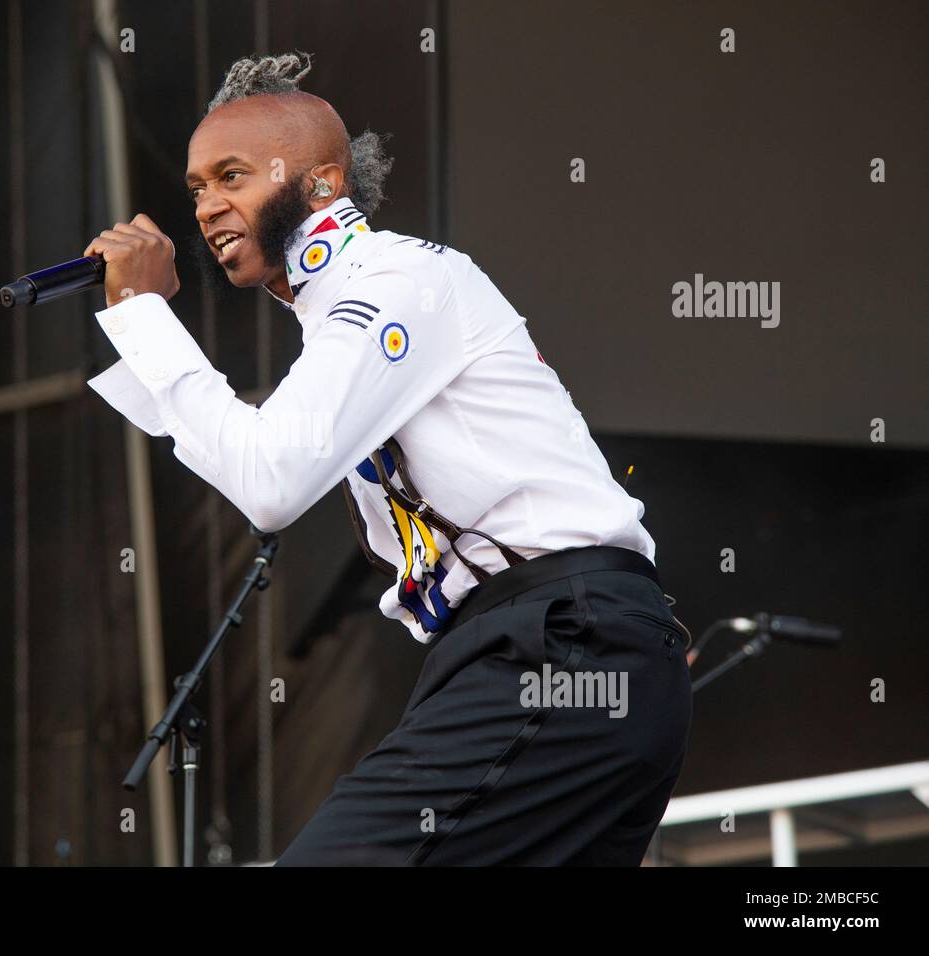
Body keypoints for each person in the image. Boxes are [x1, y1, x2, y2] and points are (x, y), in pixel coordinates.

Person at [84, 52, 692, 865]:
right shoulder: (345, 311)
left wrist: (144, 318)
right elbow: (248, 460)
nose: (207, 206)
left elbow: (271, 481)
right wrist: (138, 325)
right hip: (533, 652)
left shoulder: (396, 279)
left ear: (322, 183)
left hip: (559, 640)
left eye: (231, 176)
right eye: (196, 188)